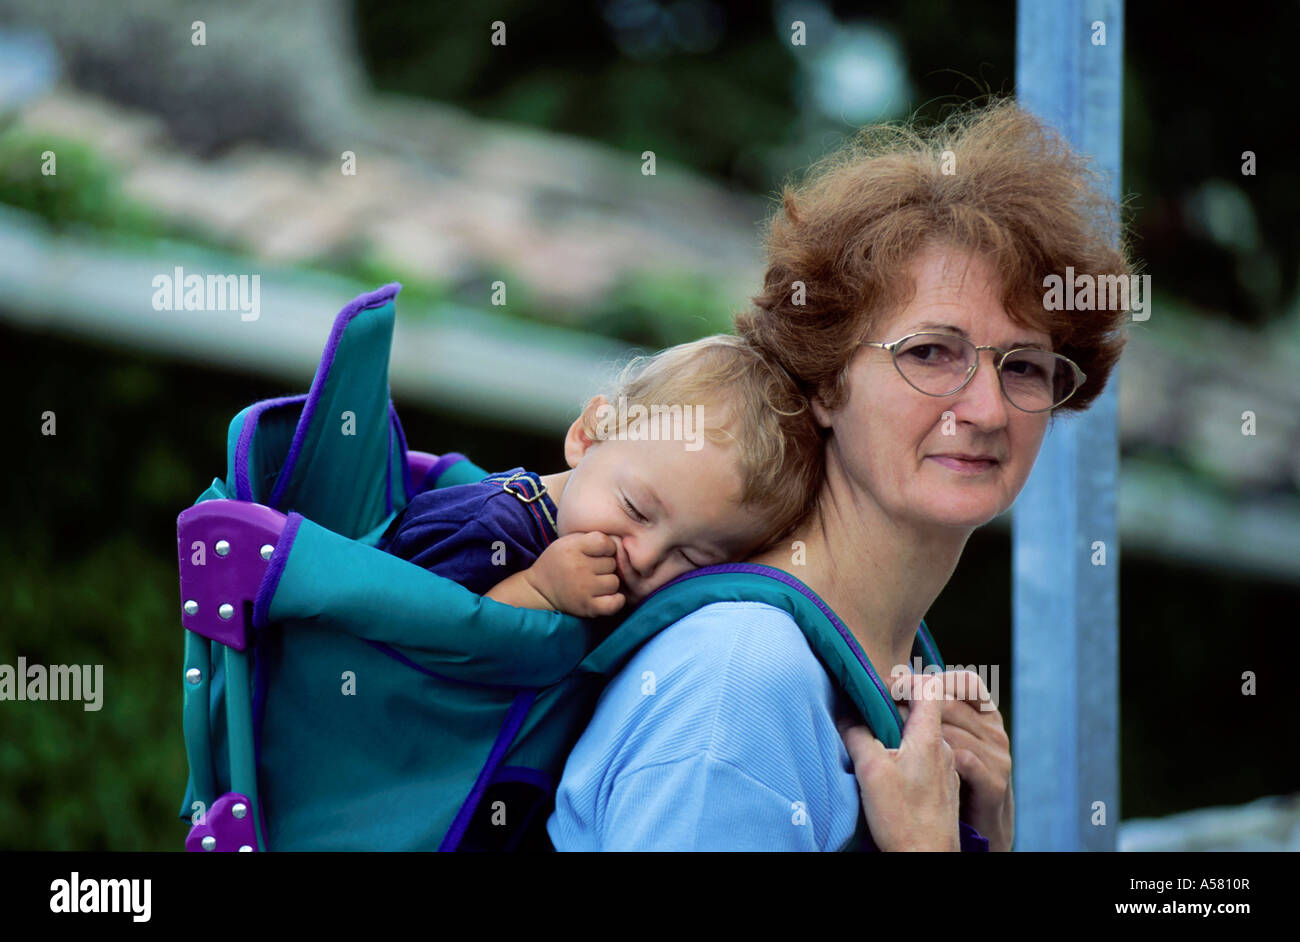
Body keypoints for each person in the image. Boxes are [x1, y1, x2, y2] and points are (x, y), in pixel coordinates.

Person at [546, 98, 1134, 851]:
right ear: (825, 383)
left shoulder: (882, 666)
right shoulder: (742, 677)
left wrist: (987, 836)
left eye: (1023, 367)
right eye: (929, 353)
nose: (986, 409)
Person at [380, 333, 823, 620]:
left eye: (691, 557)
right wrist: (537, 591)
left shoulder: (632, 590)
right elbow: (404, 631)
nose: (646, 558)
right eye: (636, 509)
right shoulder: (483, 528)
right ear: (588, 435)